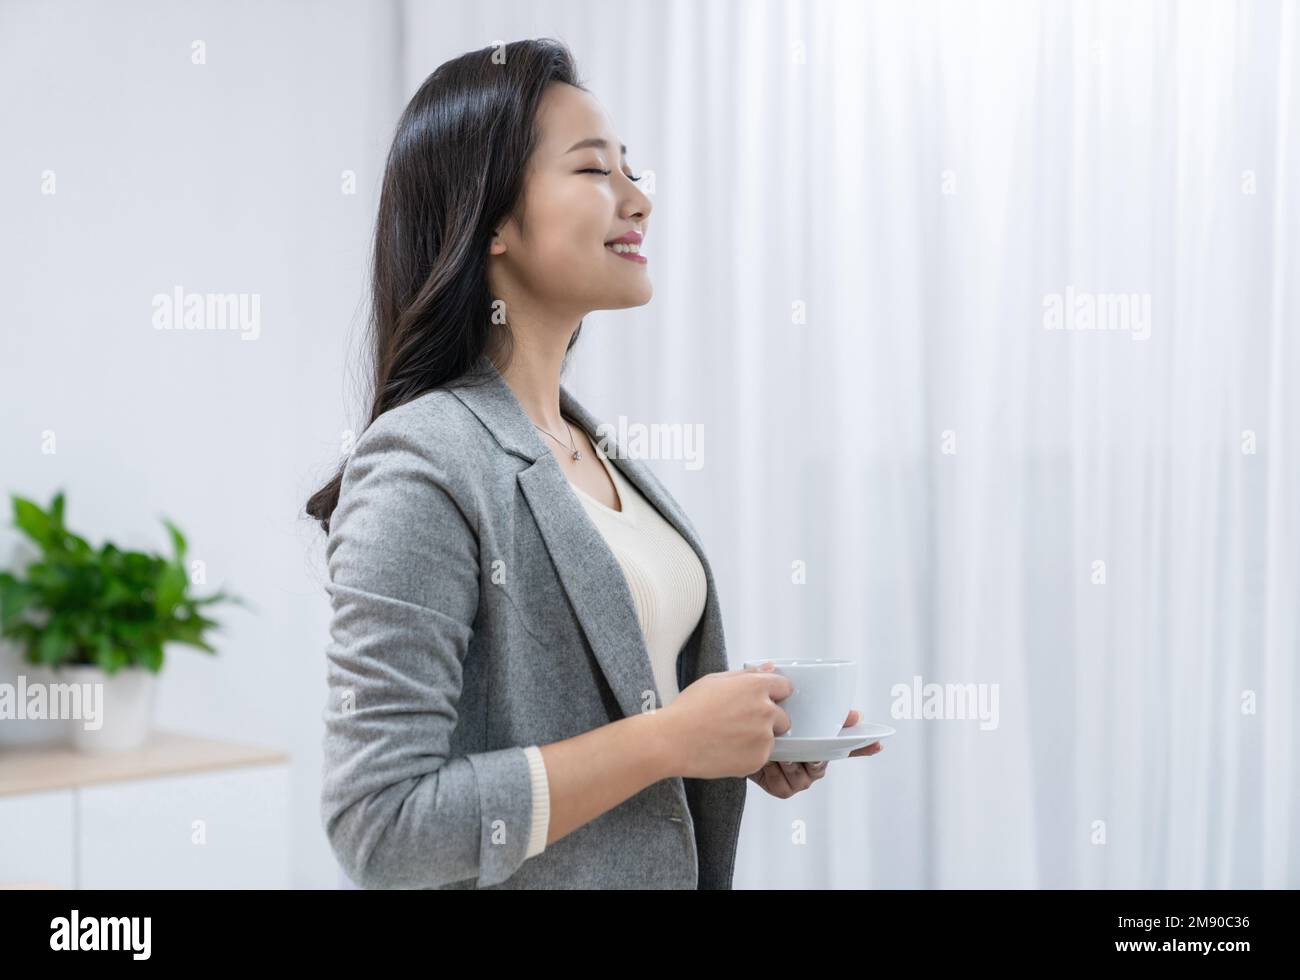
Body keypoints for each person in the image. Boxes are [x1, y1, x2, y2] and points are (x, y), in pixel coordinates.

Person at [306, 37, 881, 890]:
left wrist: (729, 742)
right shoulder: (420, 460)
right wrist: (667, 740)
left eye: (632, 170)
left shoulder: (588, 443)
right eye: (592, 172)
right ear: (492, 218)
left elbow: (618, 711)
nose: (638, 200)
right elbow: (381, 827)